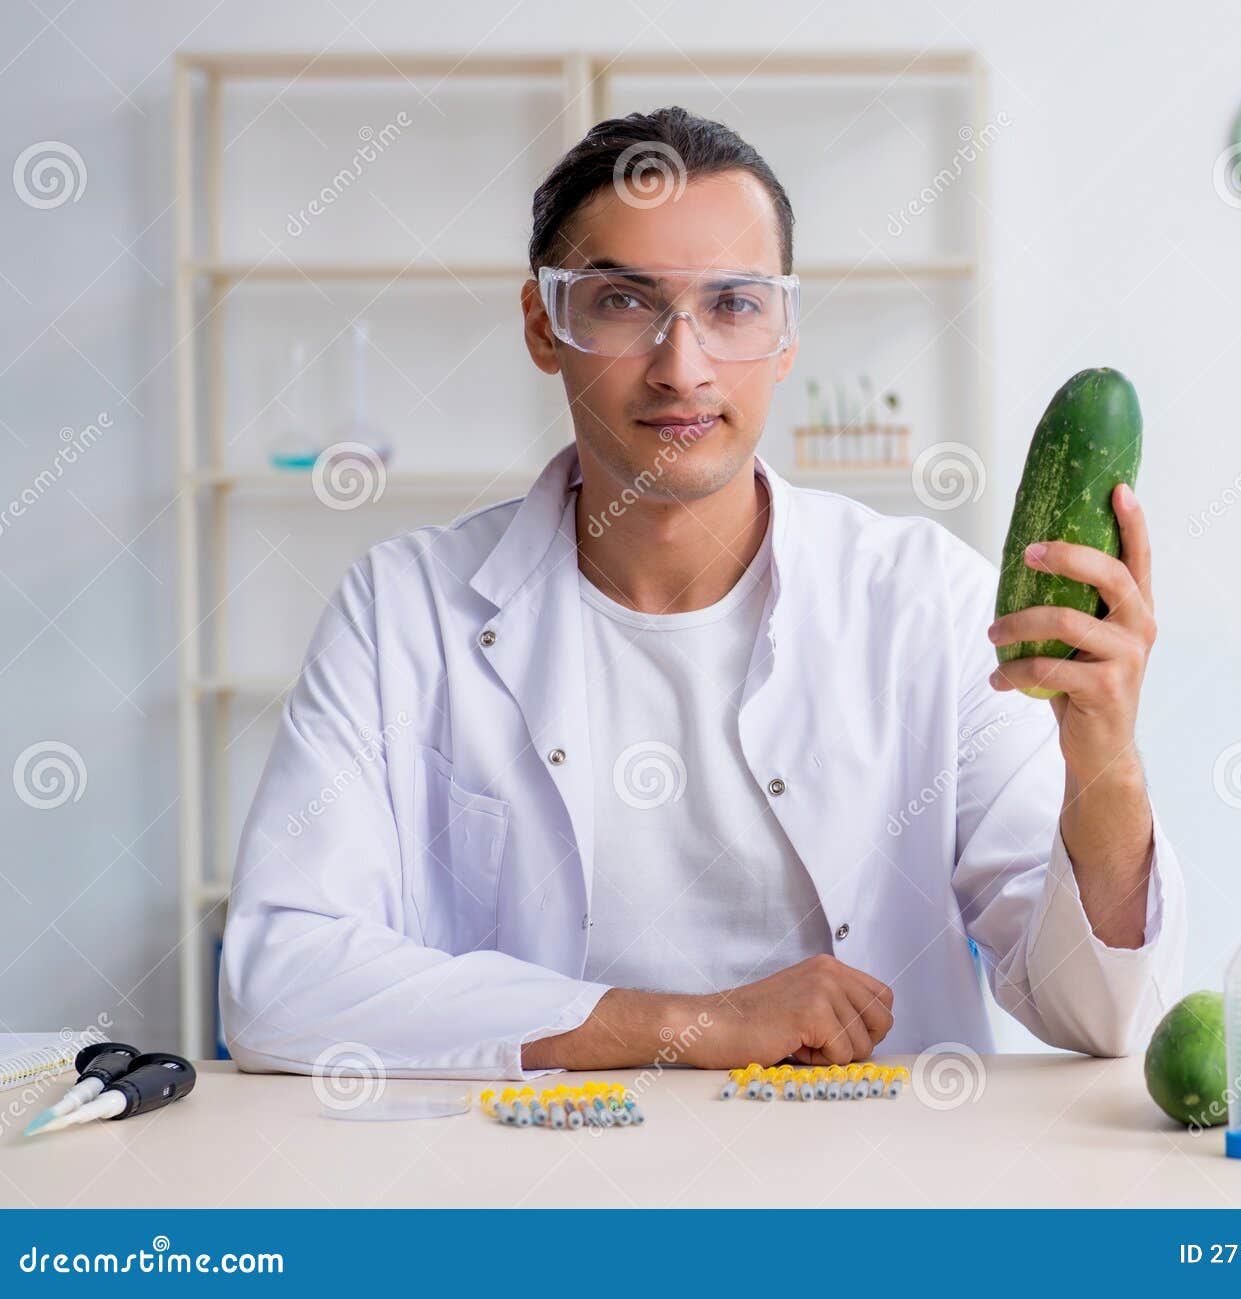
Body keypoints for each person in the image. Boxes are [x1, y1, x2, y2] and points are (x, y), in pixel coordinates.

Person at [220, 105, 1184, 1081]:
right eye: (624, 302)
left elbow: (1098, 1012)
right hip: (528, 1182)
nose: (682, 369)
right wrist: (688, 1025)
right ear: (543, 327)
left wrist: (1104, 755)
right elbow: (279, 985)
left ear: (785, 334)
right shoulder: (402, 613)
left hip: (878, 1187)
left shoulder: (926, 601)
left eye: (732, 305)